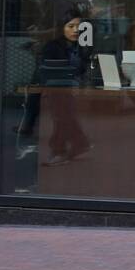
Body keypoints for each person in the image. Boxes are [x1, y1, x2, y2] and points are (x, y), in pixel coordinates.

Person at [39, 9, 94, 164]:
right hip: (57, 87)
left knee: (63, 117)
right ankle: (74, 145)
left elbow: (83, 66)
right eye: (71, 26)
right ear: (61, 28)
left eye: (78, 26)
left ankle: (64, 149)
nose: (76, 30)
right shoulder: (52, 46)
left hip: (72, 87)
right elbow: (46, 69)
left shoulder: (82, 44)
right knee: (63, 117)